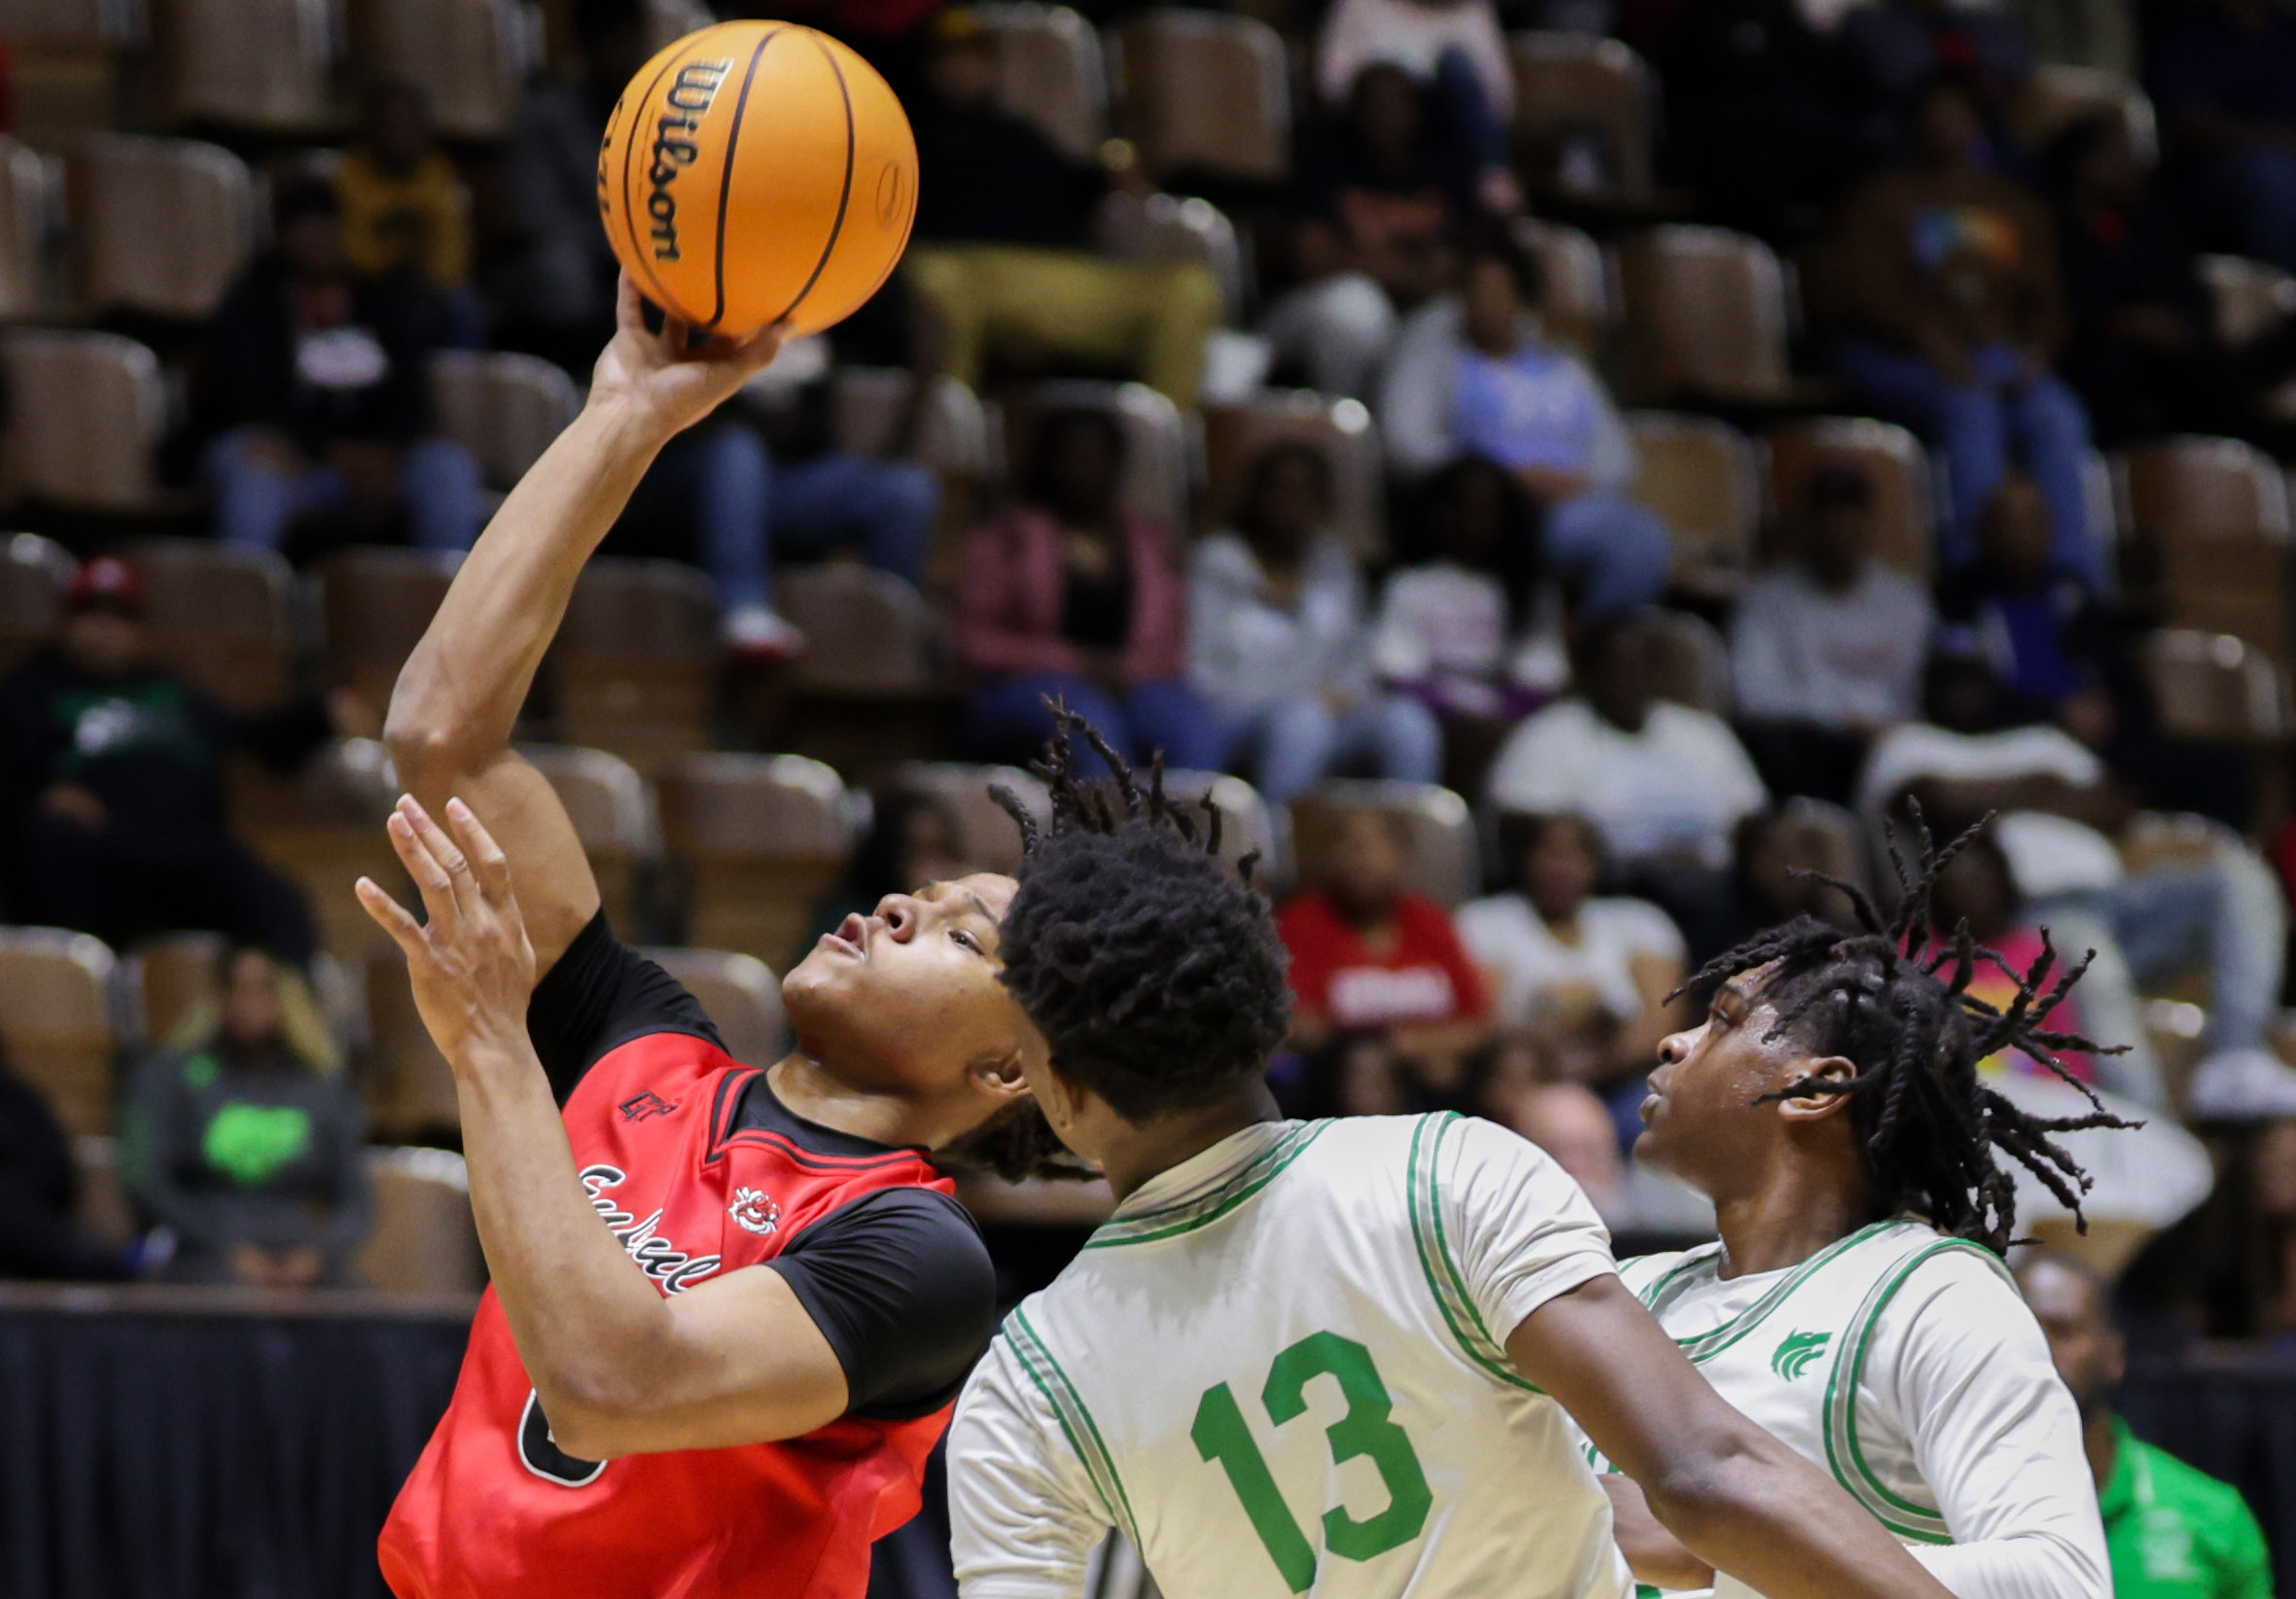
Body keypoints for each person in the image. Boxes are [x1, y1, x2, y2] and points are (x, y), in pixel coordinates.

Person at [364, 277, 1073, 1599]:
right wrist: (624, 417)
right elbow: (441, 735)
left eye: (962, 938)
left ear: (1002, 1073)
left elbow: (610, 1386)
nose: (904, 904)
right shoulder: (638, 1044)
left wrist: (492, 1047)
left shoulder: (915, 1254)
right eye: (928, 893)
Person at [946, 707, 1987, 1599]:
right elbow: (1704, 1473)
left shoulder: (1030, 1375)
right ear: (1266, 1010)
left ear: (1060, 1089)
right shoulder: (1445, 1171)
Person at [1586, 826, 2116, 1599]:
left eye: (1723, 1020)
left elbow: (2058, 1583)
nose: (1673, 1042)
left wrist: (1718, 1552)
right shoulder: (1626, 1293)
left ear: (1814, 1088)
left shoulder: (1927, 1293)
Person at [1858, 641, 2287, 1094]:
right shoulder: (1909, 744)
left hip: (2120, 900)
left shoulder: (2042, 739)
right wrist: (2045, 786)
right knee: (2090, 959)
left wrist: (1989, 796)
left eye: (1975, 674)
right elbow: (1931, 802)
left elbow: (2114, 806)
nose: (1965, 691)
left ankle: (2237, 1060)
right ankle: (2145, 1121)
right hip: (2031, 915)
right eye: (1951, 676)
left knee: (2237, 878)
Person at [0, 557, 359, 966]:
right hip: (100, 852)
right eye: (90, 612)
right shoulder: (31, 689)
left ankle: (290, 1001)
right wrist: (39, 796)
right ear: (66, 621)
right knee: (52, 850)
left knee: (276, 900)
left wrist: (323, 713)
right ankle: (66, 989)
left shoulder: (168, 689)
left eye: (121, 616)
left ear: (140, 629)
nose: (104, 628)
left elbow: (250, 735)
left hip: (187, 851)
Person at [1834, 75, 2102, 586]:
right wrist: (1929, 343)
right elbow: (1866, 298)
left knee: (2058, 416)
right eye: (1934, 116)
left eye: (1956, 114)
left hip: (1997, 355)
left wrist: (2037, 352)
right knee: (1970, 407)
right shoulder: (1881, 198)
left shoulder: (2014, 206)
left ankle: (2072, 577)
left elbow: (2045, 300)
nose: (1945, 127)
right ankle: (1977, 572)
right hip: (1899, 353)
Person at [903, 8, 1221, 408]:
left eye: (974, 58)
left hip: (1051, 277)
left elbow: (1077, 188)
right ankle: (948, 434)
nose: (961, 70)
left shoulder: (1015, 135)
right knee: (937, 281)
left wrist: (1120, 173)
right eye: (948, 59)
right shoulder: (905, 137)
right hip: (967, 273)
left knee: (1186, 291)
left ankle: (1158, 437)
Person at [1383, 235, 1674, 619]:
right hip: (1488, 511)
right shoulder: (1436, 359)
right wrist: (1506, 478)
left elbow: (1618, 459)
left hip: (1570, 506)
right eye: (1475, 290)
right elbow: (1407, 447)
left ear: (1523, 301)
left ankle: (1596, 636)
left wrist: (1577, 483)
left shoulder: (1564, 367)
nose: (1484, 302)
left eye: (1498, 291)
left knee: (1643, 537)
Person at [202, 176, 483, 557]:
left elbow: (411, 398)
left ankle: (453, 587)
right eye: (305, 229)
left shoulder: (380, 300)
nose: (317, 239)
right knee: (251, 477)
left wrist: (385, 452)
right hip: (294, 462)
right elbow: (244, 398)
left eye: (327, 226)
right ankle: (245, 588)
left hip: (377, 464)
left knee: (448, 466)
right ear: (282, 237)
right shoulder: (253, 302)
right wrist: (325, 449)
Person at [956, 407, 1223, 777]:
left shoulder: (1149, 543)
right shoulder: (1008, 538)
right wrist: (1077, 664)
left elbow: (1173, 642)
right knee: (1089, 721)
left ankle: (1194, 816)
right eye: (1074, 455)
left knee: (1190, 724)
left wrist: (1127, 670)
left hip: (1133, 684)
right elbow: (974, 642)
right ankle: (1108, 816)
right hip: (1024, 686)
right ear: (1047, 462)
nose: (1086, 467)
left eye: (1099, 456)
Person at [1487, 614, 1769, 959]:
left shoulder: (1704, 734)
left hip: (1714, 892)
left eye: (1644, 662)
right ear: (1587, 671)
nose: (1631, 675)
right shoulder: (1547, 735)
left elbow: (1754, 821)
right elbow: (1523, 831)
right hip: (1608, 895)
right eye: (1616, 663)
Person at [1189, 442, 1442, 804]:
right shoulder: (1218, 563)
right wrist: (1298, 700)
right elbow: (1202, 671)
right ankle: (1277, 836)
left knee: (1408, 722)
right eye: (1281, 490)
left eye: (1306, 493)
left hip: (1329, 712)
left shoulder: (1334, 565)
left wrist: (1343, 692)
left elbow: (1357, 653)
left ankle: (1405, 835)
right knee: (1302, 724)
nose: (1292, 504)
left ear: (1323, 504)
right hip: (1239, 716)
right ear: (1255, 497)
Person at [2018, 1251, 2275, 1599]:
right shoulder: (1951, 1510)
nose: (2039, 1347)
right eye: (2021, 1329)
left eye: (2063, 1330)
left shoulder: (2214, 1517)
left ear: (2115, 1355)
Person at [119, 945, 371, 1288]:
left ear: (288, 997)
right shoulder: (169, 1076)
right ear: (217, 995)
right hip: (201, 1249)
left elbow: (356, 1202)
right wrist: (223, 1246)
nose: (246, 1003)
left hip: (299, 1252)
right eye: (235, 987)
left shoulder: (323, 1084)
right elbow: (146, 1183)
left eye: (263, 989)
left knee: (363, 1304)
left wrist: (317, 1254)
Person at [1458, 811, 1691, 1134]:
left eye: (1575, 854)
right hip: (1524, 1082)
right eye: (1549, 853)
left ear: (1596, 863)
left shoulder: (1640, 923)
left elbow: (1661, 1028)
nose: (1561, 868)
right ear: (1524, 860)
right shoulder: (1485, 923)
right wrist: (1570, 1026)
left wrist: (1591, 1065)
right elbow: (1486, 1024)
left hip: (1621, 1079)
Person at [1258, 64, 1475, 398]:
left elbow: (1452, 271)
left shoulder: (1442, 166)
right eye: (1376, 104)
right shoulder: (1325, 155)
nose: (1387, 115)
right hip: (1311, 307)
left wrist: (1361, 256)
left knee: (1451, 318)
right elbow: (1312, 257)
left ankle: (1403, 430)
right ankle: (1346, 419)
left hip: (1410, 312)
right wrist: (1409, 268)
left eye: (1397, 104)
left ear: (1415, 111)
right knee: (1356, 306)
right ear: (1356, 110)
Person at [1731, 462, 1935, 807]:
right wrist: (1844, 721)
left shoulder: (1906, 601)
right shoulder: (1766, 599)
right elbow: (1754, 697)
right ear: (1808, 524)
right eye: (1830, 519)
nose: (1840, 532)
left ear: (1870, 525)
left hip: (1896, 747)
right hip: (1809, 750)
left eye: (1852, 520)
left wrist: (1889, 729)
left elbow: (1922, 691)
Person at [1278, 806, 1495, 1116]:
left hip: (1432, 1085)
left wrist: (1417, 1046)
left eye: (1375, 845)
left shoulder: (1430, 922)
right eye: (1350, 846)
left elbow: (1479, 1022)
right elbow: (1297, 1025)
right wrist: (1376, 1046)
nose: (1362, 859)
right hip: (1330, 1089)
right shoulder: (1301, 923)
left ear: (1403, 855)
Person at [1371, 453, 1564, 730]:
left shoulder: (1532, 591)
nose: (1475, 519)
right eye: (1465, 505)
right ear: (1442, 513)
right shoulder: (1410, 586)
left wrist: (1493, 713)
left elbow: (1541, 677)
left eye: (1488, 508)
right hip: (1431, 719)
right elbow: (1398, 672)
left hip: (1507, 722)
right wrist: (1461, 708)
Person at [2150, 0, 2296, 274]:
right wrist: (2278, 140)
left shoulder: (2286, 33)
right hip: (2218, 169)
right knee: (2271, 178)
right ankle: (2282, 290)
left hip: (2285, 158)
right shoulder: (2193, 37)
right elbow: (2191, 123)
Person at [1489, 1074, 1714, 1240]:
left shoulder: (1671, 1225)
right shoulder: (1496, 1237)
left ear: (1613, 1154)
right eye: (1553, 1152)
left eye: (1588, 1151)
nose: (1573, 1166)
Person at [0, 1039, 138, 1281]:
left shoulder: (20, 1101)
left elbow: (56, 1169)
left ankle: (86, 1260)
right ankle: (83, 1259)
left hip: (33, 1222)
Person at [335, 77, 475, 302]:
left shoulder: (439, 172)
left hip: (436, 291)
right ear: (372, 129)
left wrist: (430, 279)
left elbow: (453, 255)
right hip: (371, 291)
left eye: (411, 126)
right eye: (393, 126)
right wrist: (397, 262)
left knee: (465, 303)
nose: (402, 136)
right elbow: (354, 255)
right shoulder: (349, 174)